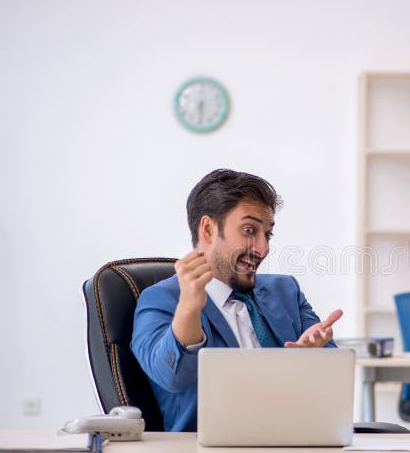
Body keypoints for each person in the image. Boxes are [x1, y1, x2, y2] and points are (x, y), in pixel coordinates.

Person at [131, 169, 342, 431]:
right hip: (211, 450)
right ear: (208, 230)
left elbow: (336, 378)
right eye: (249, 230)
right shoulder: (161, 299)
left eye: (267, 234)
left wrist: (313, 361)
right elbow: (171, 377)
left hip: (296, 439)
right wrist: (188, 309)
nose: (263, 248)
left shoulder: (286, 290)